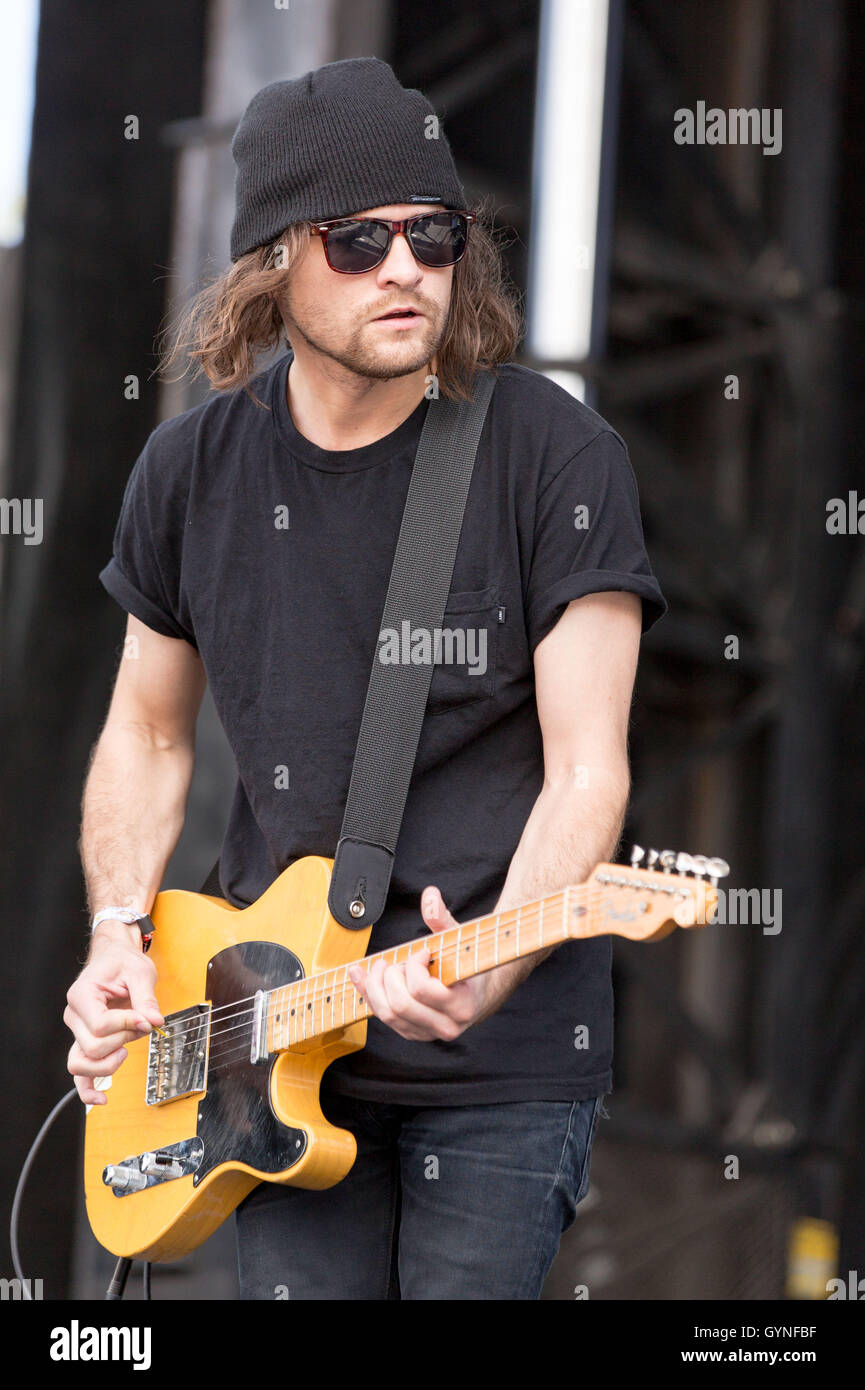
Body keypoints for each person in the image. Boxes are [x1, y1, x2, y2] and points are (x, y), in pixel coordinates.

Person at [63, 57, 666, 1300]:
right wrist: (119, 929)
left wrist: (485, 973)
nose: (406, 267)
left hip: (495, 1073)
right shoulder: (189, 472)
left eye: (434, 236)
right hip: (260, 1052)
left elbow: (587, 769)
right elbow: (148, 732)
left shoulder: (553, 454)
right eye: (358, 240)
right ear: (272, 264)